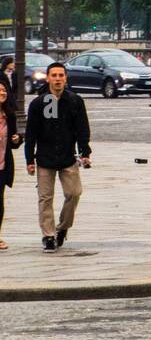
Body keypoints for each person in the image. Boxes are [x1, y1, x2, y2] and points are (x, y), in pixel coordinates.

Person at [24, 61, 92, 251]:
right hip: (45, 158)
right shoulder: (41, 103)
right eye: (54, 75)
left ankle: (62, 228)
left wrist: (85, 151)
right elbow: (32, 133)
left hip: (67, 156)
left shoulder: (75, 101)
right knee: (45, 197)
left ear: (66, 78)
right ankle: (48, 235)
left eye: (61, 75)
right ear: (48, 78)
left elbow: (82, 128)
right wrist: (29, 159)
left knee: (74, 193)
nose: (57, 79)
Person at [0, 80, 21, 251]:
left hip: (2, 164)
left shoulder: (10, 115)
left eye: (4, 91)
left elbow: (14, 142)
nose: (2, 93)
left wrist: (17, 140)